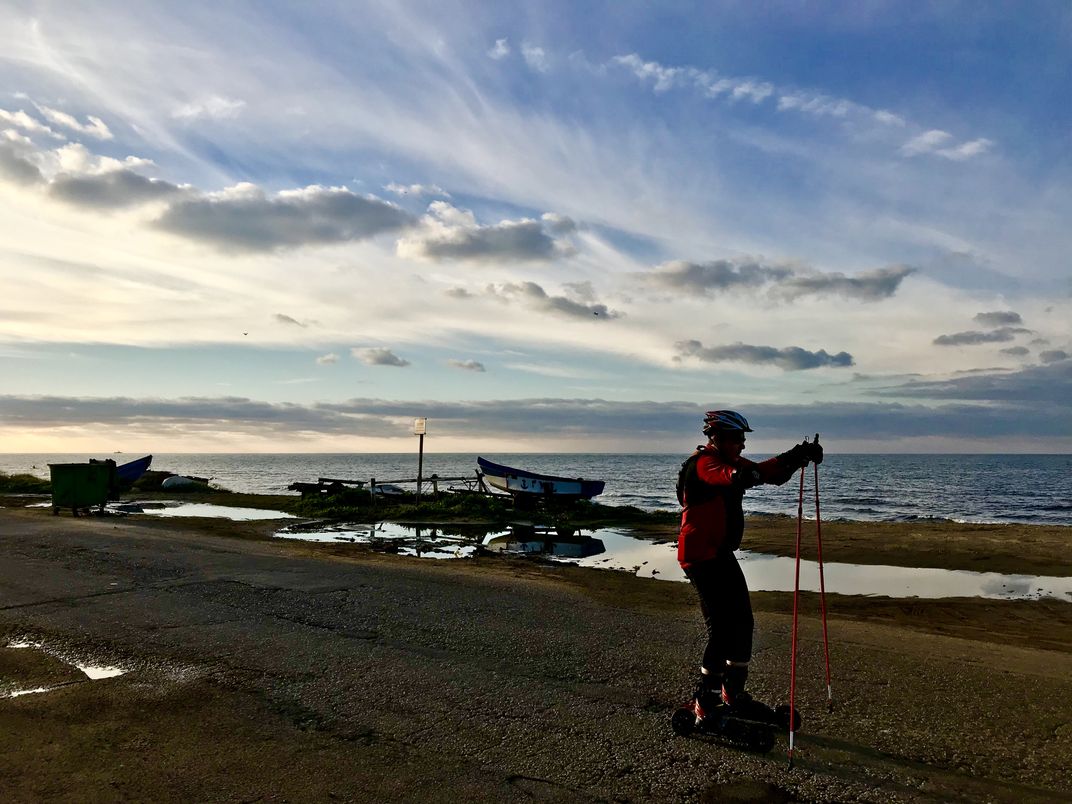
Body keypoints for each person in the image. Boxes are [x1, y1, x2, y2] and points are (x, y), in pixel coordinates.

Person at [676, 409, 822, 724]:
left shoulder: (730, 462)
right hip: (700, 557)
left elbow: (768, 473)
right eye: (738, 439)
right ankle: (705, 700)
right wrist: (748, 474)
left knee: (743, 622)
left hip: (720, 554)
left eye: (743, 438)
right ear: (719, 438)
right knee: (722, 628)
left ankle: (732, 693)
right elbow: (734, 477)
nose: (743, 444)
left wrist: (800, 455)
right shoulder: (705, 464)